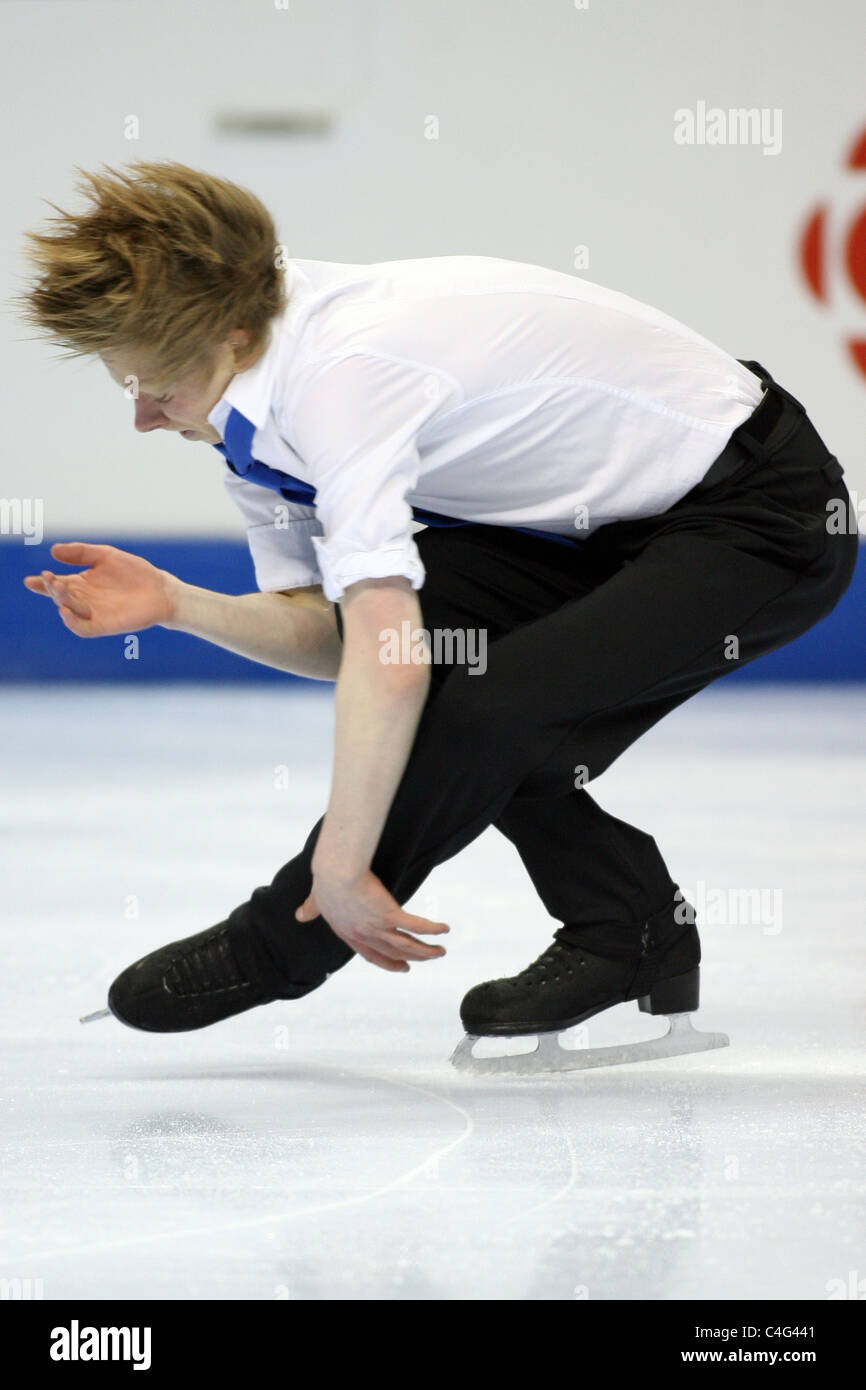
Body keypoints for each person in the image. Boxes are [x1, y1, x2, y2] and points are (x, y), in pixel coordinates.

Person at [18, 160, 858, 1066]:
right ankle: (636, 928)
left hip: (762, 517)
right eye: (128, 388)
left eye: (158, 389)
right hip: (608, 530)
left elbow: (391, 660)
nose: (144, 418)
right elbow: (340, 637)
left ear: (227, 335)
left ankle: (284, 940)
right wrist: (182, 604)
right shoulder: (247, 401)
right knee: (467, 682)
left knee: (492, 714)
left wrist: (341, 871)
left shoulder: (343, 375)